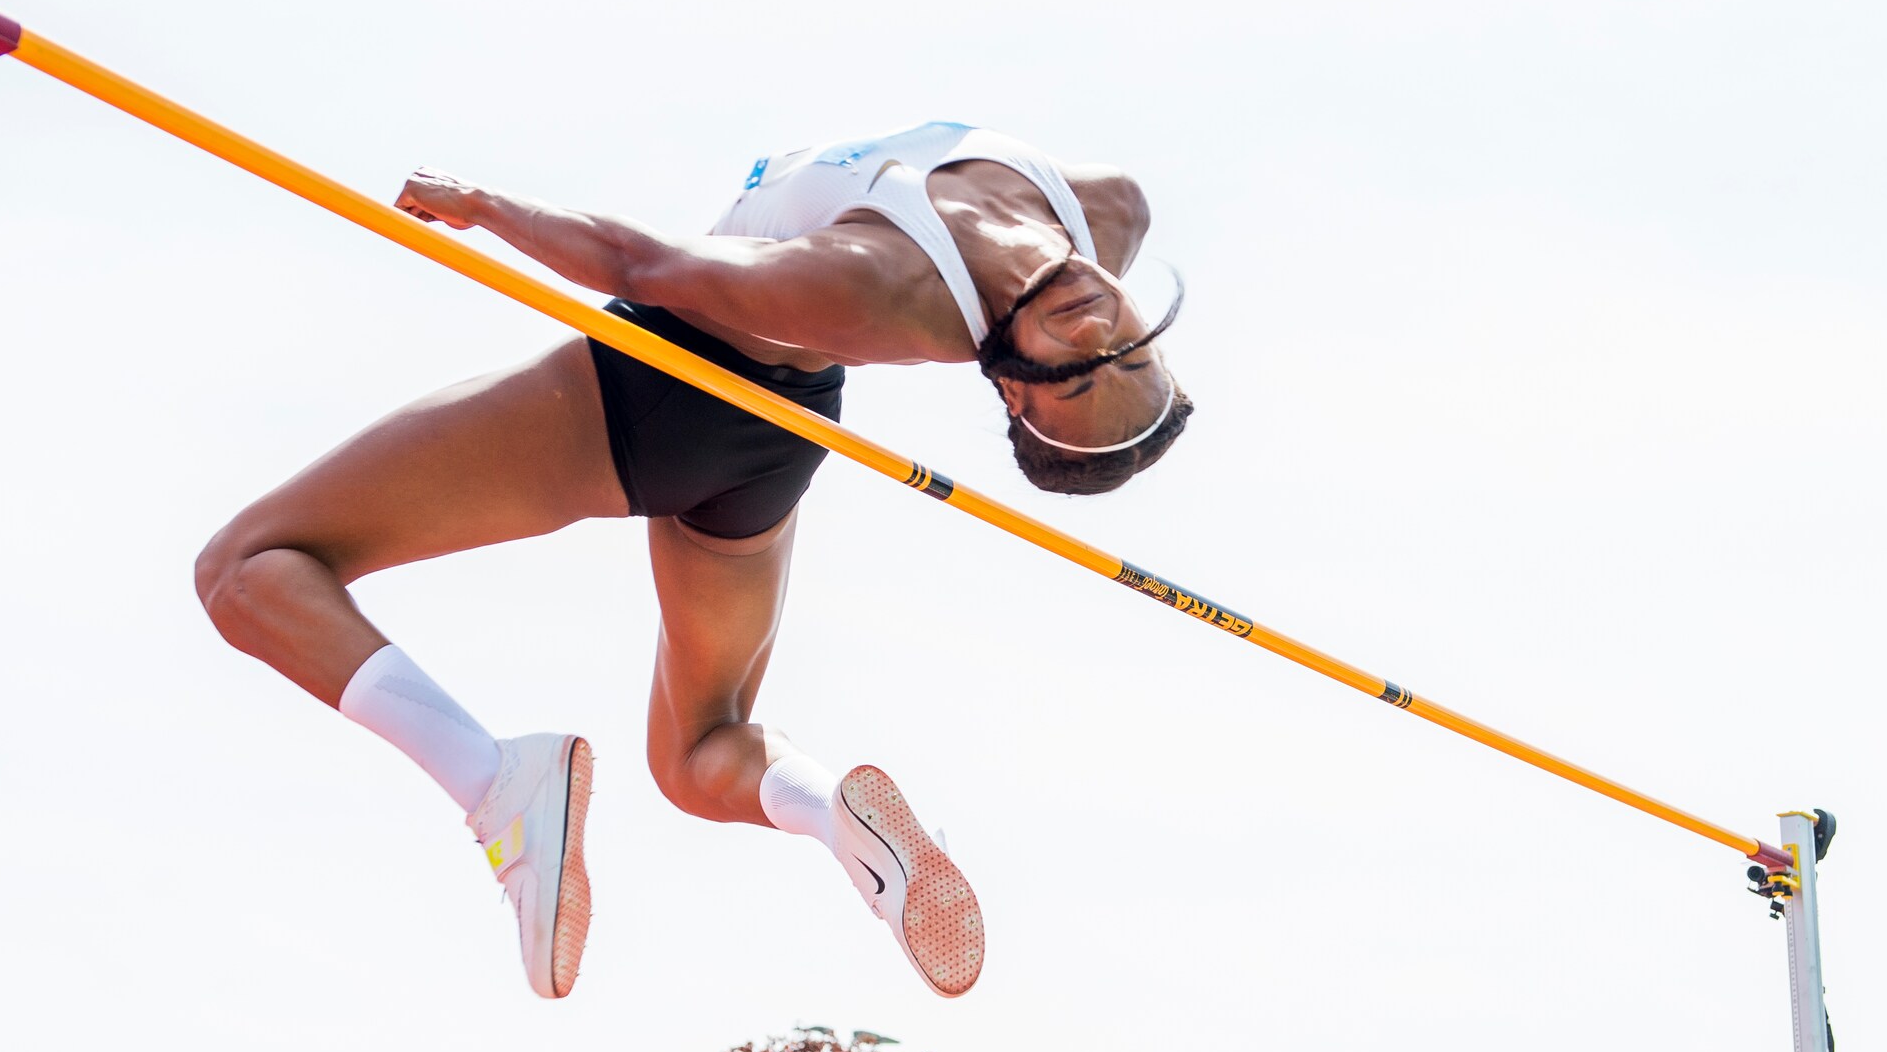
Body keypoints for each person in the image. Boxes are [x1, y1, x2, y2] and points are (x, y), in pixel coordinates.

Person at [196, 119, 1191, 1002]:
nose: (1098, 329)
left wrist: (486, 204)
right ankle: (835, 819)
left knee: (248, 566)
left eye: (1073, 366)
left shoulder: (865, 286)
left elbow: (635, 262)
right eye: (1128, 348)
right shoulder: (1109, 210)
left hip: (667, 387)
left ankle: (496, 783)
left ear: (1013, 392)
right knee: (696, 752)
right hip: (777, 435)